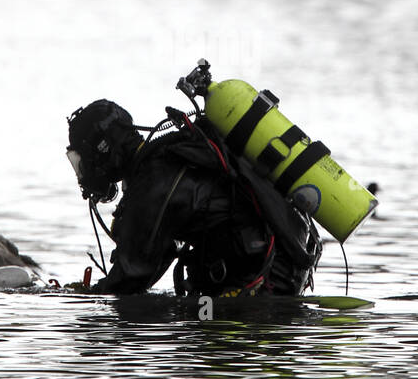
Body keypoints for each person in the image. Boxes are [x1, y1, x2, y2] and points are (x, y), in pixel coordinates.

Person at [65, 99, 321, 297]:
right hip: (283, 264)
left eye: (81, 162)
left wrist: (81, 297)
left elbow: (131, 277)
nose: (83, 173)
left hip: (266, 277)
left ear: (102, 150)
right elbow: (155, 255)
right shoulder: (162, 163)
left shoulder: (154, 180)